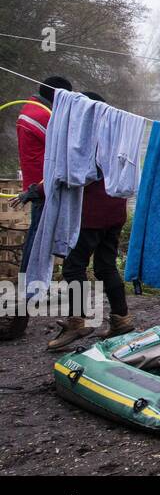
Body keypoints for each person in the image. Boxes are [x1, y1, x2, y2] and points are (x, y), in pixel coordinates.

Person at [47, 91, 132, 351]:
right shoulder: (117, 135)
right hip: (115, 210)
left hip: (91, 214)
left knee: (74, 267)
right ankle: (121, 319)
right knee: (106, 266)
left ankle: (77, 322)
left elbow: (73, 173)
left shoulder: (85, 137)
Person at [3, 75, 72, 341]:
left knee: (40, 249)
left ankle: (22, 316)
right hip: (43, 190)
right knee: (36, 251)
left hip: (42, 188)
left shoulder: (33, 112)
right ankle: (19, 318)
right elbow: (62, 155)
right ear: (59, 97)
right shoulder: (40, 117)